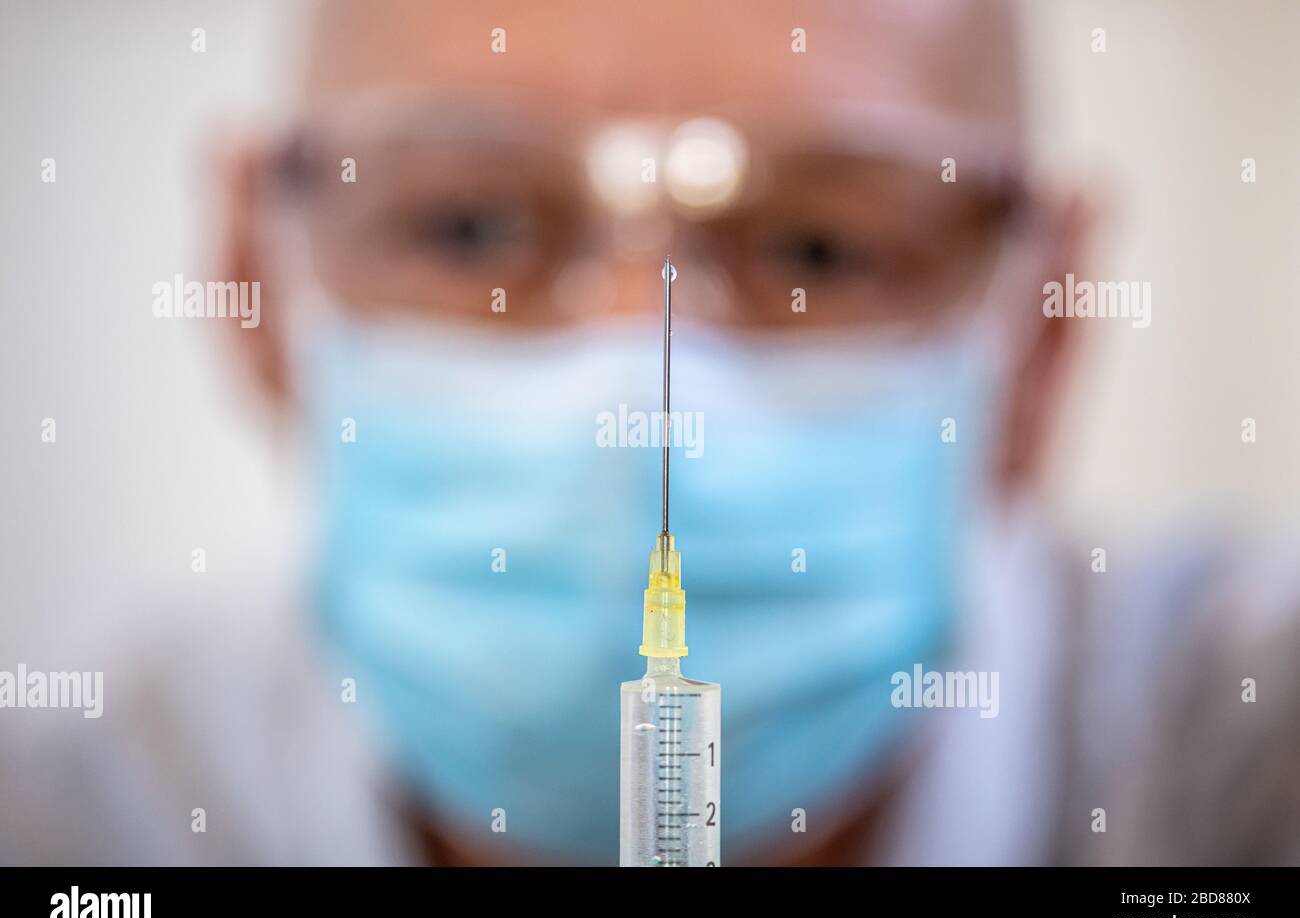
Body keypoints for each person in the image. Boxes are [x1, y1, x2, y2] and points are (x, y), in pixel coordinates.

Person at [3, 0, 1298, 866]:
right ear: (253, 282)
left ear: (1045, 334)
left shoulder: (1243, 760)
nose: (643, 392)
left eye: (819, 246)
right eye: (471, 228)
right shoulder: (72, 825)